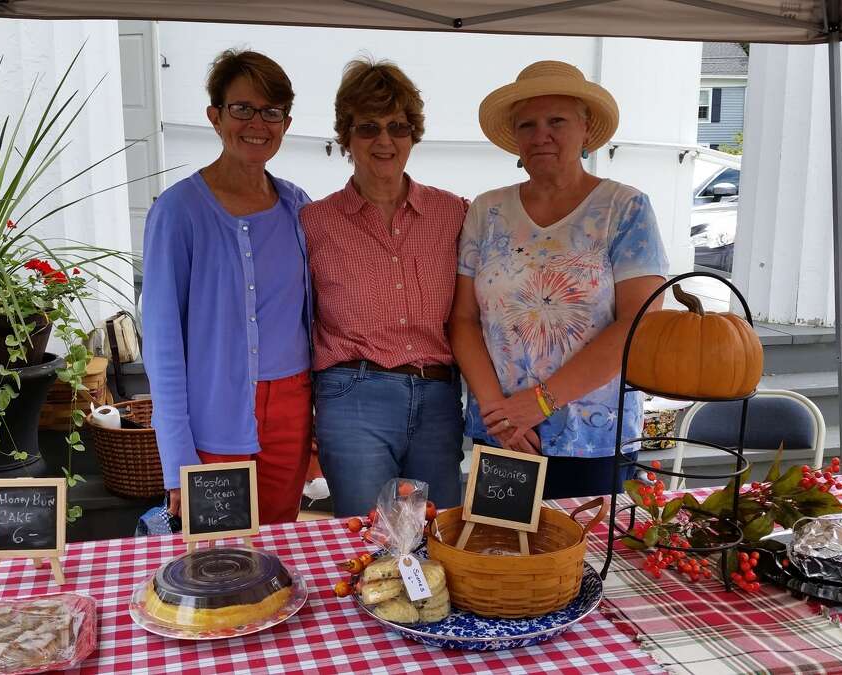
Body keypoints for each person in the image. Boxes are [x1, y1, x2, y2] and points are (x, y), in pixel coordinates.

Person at [450, 61, 669, 499]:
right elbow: (463, 320)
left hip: (593, 436)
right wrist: (500, 412)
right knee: (501, 554)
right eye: (527, 125)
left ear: (586, 130)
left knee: (589, 563)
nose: (541, 135)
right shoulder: (486, 210)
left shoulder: (623, 208)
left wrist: (541, 401)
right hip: (505, 435)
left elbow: (637, 323)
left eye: (556, 121)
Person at [141, 49, 313, 525]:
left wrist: (315, 435)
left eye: (271, 112)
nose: (257, 123)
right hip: (213, 420)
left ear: (286, 123)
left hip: (291, 417)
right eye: (242, 108)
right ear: (215, 116)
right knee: (216, 562)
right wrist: (177, 458)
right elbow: (162, 344)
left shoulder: (298, 208)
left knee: (278, 549)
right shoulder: (178, 212)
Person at [301, 59, 468, 517]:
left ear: (413, 134)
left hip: (437, 397)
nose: (384, 140)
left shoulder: (454, 214)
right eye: (368, 127)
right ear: (346, 137)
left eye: (398, 126)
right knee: (367, 536)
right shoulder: (314, 223)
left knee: (437, 538)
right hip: (354, 396)